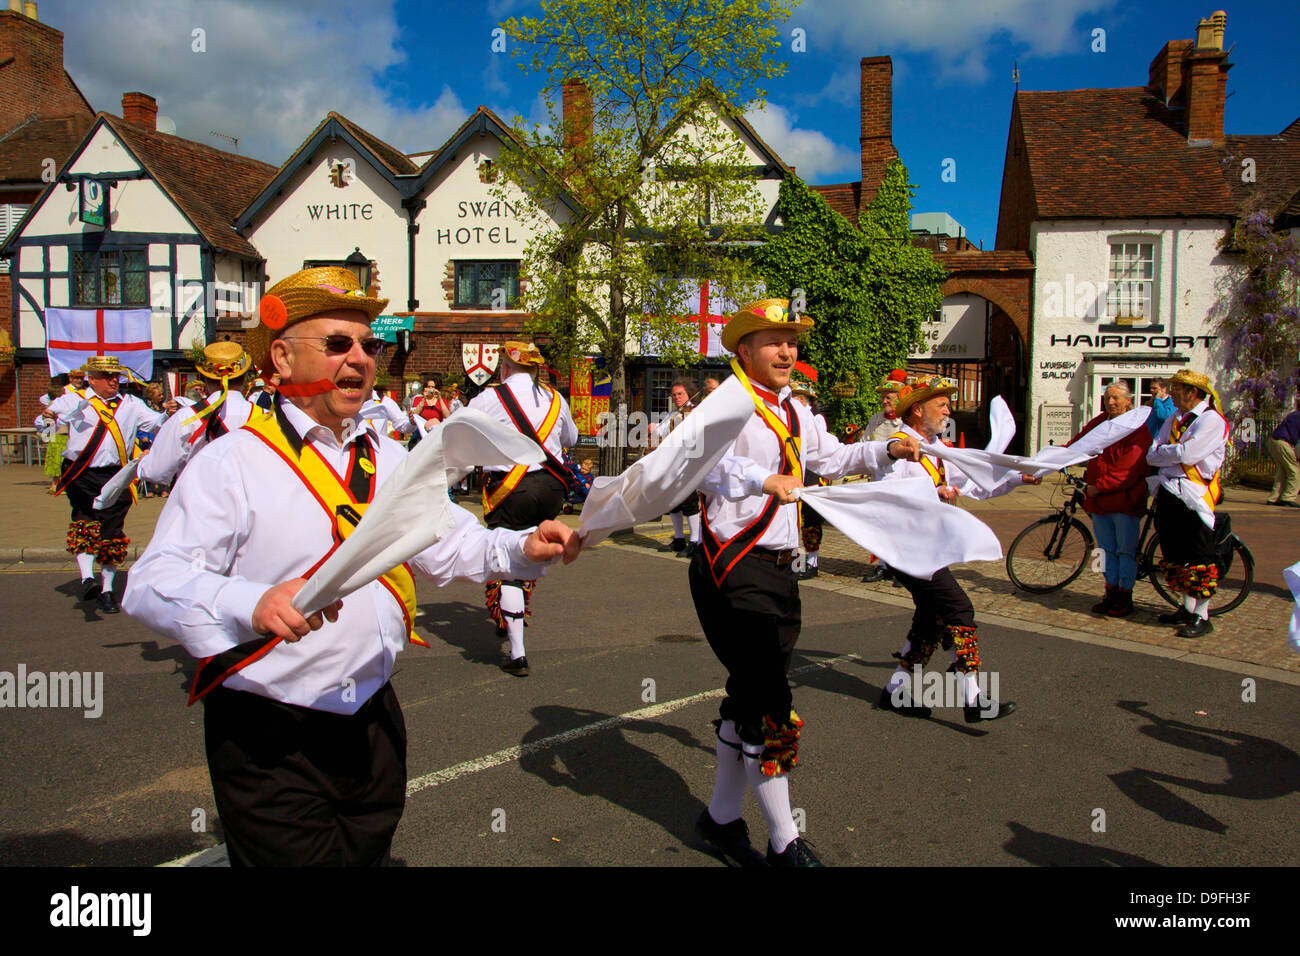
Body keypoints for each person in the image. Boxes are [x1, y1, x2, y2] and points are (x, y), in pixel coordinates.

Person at [122, 266, 580, 867]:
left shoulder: (390, 456)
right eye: (338, 343)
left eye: (370, 344)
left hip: (372, 718)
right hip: (269, 731)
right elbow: (153, 583)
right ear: (282, 358)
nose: (361, 358)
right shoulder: (231, 462)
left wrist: (522, 548)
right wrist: (253, 603)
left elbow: (448, 542)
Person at [690, 298, 921, 868]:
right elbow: (697, 464)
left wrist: (884, 448)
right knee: (770, 702)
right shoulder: (727, 404)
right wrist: (758, 477)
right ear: (744, 350)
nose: (788, 350)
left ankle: (720, 820)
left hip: (779, 568)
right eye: (775, 340)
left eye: (792, 341)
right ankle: (783, 841)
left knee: (749, 693)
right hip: (731, 567)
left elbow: (833, 457)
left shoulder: (794, 408)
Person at [876, 374, 1038, 723]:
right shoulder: (899, 447)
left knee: (931, 618)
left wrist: (1016, 478)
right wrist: (931, 495)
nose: (949, 412)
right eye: (942, 405)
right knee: (959, 608)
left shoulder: (939, 451)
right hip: (909, 549)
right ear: (918, 409)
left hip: (932, 548)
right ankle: (973, 698)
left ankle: (896, 691)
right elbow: (888, 496)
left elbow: (976, 485)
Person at [469, 341, 578, 676]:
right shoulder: (556, 398)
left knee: (509, 565)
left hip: (511, 489)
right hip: (551, 490)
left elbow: (459, 434)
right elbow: (571, 440)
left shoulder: (490, 397)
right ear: (536, 369)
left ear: (504, 368)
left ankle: (517, 654)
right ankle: (507, 615)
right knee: (528, 552)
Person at [43, 356, 169, 613]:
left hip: (117, 474)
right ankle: (87, 577)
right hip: (81, 472)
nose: (114, 381)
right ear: (92, 378)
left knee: (112, 528)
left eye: (116, 376)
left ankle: (107, 590)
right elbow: (45, 431)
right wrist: (47, 421)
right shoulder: (73, 400)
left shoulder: (131, 404)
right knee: (84, 519)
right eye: (107, 376)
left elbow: (157, 423)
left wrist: (169, 412)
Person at [1146, 369, 1229, 638]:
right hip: (1168, 490)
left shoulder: (1211, 420)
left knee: (1199, 556)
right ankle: (1186, 607)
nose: (1172, 393)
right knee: (1174, 554)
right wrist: (1174, 454)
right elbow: (1152, 455)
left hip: (1194, 494)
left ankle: (1202, 616)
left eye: (1177, 388)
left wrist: (1169, 453)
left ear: (1192, 392)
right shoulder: (1175, 417)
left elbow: (1190, 454)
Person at [1067, 382, 1151, 617]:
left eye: (1115, 398)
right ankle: (1110, 590)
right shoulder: (1102, 422)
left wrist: (1099, 487)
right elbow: (1081, 441)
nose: (1110, 402)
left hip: (1123, 500)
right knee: (1104, 550)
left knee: (1125, 550)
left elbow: (1129, 469)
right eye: (1107, 398)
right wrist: (1058, 457)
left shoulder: (1137, 429)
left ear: (1128, 400)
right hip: (1099, 501)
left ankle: (1125, 594)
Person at [135, 342, 258, 490]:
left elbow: (154, 473)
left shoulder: (186, 418)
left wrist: (144, 462)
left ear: (205, 378)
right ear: (244, 378)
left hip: (200, 507)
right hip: (250, 508)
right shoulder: (266, 417)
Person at [789, 381, 825, 580]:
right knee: (793, 518)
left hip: (810, 475)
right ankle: (794, 562)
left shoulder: (815, 418)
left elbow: (819, 449)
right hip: (794, 474)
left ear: (802, 400)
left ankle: (812, 562)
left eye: (793, 398)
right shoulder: (791, 417)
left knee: (810, 521)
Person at [662, 379, 702, 556]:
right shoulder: (673, 413)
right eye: (675, 395)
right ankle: (679, 539)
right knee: (673, 502)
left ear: (689, 393)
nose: (677, 398)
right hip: (672, 464)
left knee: (689, 502)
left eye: (681, 394)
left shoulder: (695, 412)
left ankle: (695, 541)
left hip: (690, 463)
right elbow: (660, 432)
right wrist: (655, 427)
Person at [1266, 395, 1300, 508]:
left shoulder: (1294, 414)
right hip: (1283, 442)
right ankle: (1288, 498)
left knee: (1282, 471)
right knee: (1294, 471)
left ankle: (1274, 498)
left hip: (1273, 440)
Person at [866, 369, 907, 443]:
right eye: (882, 397)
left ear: (899, 398)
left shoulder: (906, 422)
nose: (884, 401)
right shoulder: (875, 419)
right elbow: (864, 444)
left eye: (888, 398)